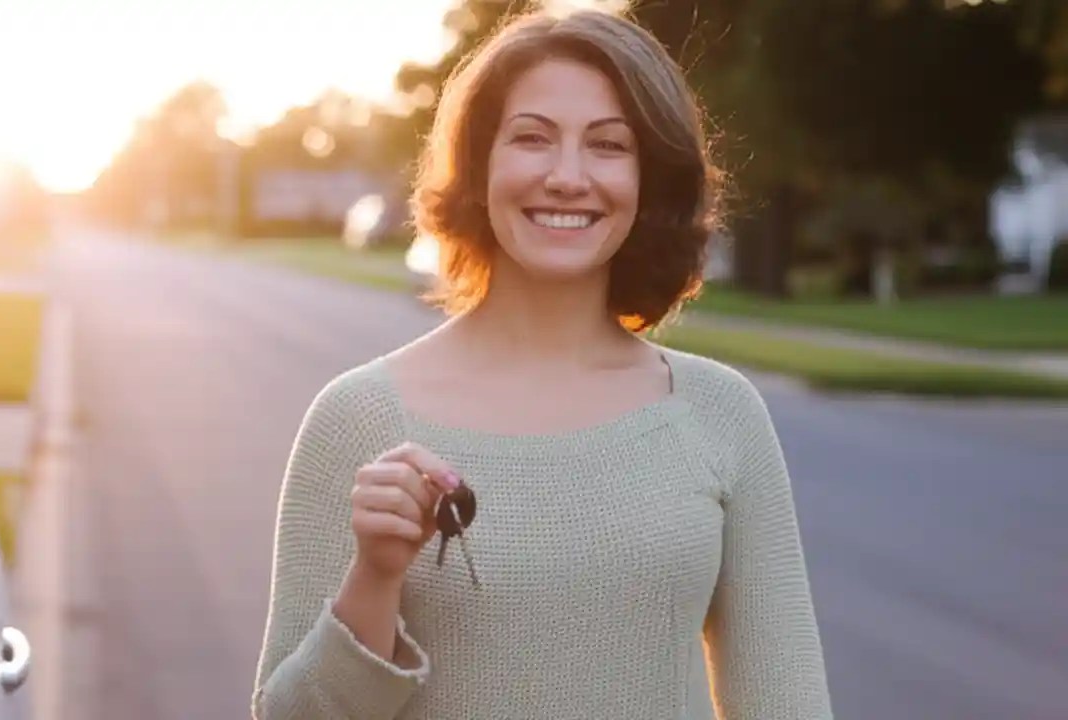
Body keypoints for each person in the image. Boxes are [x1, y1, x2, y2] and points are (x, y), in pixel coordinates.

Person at [252, 7, 833, 719]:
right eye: (531, 138)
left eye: (608, 145)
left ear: (651, 178)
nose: (567, 176)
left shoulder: (719, 413)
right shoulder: (359, 418)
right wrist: (374, 576)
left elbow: (789, 705)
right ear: (478, 166)